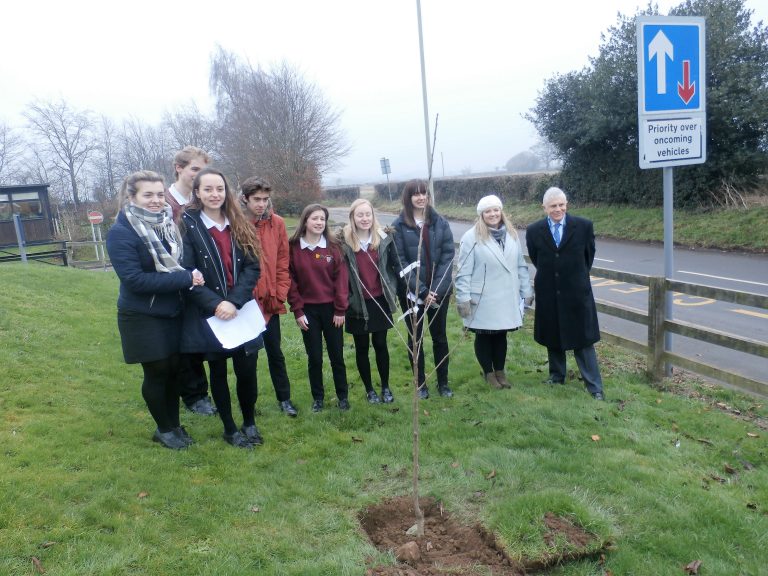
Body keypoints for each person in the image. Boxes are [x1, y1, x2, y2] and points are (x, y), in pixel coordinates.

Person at [106, 170, 204, 450]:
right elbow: (135, 280)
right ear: (132, 197)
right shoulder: (121, 233)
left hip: (172, 311)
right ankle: (164, 429)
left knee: (174, 371)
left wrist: (187, 275)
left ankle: (173, 425)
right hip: (142, 315)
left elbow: (177, 262)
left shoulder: (166, 224)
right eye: (148, 195)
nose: (155, 200)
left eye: (160, 194)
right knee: (157, 372)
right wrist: (186, 278)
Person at [180, 167, 265, 448]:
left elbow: (253, 267)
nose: (215, 194)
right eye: (208, 189)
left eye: (219, 189)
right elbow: (185, 273)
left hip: (241, 310)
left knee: (247, 371)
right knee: (217, 372)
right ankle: (230, 428)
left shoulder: (239, 221)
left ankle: (249, 422)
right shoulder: (188, 225)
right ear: (197, 193)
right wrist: (217, 305)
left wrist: (234, 301)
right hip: (211, 314)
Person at [526, 187, 605, 400]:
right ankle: (556, 376)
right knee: (553, 336)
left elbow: (588, 257)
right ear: (544, 208)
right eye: (553, 206)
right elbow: (537, 258)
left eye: (561, 205)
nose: (558, 209)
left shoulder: (584, 226)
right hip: (549, 292)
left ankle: (594, 386)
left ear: (566, 204)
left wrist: (574, 276)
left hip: (577, 293)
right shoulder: (534, 231)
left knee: (583, 340)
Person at [455, 195, 533, 389]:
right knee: (484, 336)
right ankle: (488, 373)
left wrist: (526, 290)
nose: (493, 214)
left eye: (496, 210)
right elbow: (463, 271)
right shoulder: (471, 237)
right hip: (483, 298)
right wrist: (463, 298)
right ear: (481, 214)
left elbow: (520, 265)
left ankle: (500, 371)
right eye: (488, 211)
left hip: (507, 296)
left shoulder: (512, 235)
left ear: (501, 211)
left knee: (501, 335)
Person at [392, 179, 455, 399]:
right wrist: (421, 291)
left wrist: (435, 290)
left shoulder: (440, 222)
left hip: (439, 292)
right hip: (411, 295)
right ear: (408, 198)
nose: (421, 197)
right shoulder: (398, 226)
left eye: (424, 193)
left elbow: (448, 256)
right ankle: (421, 385)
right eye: (415, 194)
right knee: (415, 340)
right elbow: (399, 261)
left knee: (440, 337)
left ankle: (443, 383)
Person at [240, 176, 298, 417]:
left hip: (272, 300)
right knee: (249, 358)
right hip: (246, 304)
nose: (261, 204)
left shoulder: (278, 224)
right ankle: (249, 407)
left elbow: (283, 261)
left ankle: (284, 399)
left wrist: (281, 292)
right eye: (256, 199)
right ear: (245, 199)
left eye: (265, 199)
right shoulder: (236, 224)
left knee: (276, 353)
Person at [166, 146, 216, 416]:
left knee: (202, 338)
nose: (198, 176)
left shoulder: (200, 203)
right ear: (179, 168)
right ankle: (194, 395)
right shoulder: (163, 201)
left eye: (202, 171)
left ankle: (204, 391)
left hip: (201, 281)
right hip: (173, 282)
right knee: (185, 343)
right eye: (194, 169)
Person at [287, 204, 350, 412]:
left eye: (322, 219)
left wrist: (340, 309)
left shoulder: (332, 247)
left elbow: (341, 279)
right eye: (315, 218)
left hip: (332, 310)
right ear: (305, 221)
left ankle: (343, 397)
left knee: (336, 356)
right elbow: (291, 282)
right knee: (314, 357)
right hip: (308, 312)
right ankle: (318, 398)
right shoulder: (293, 248)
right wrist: (297, 310)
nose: (319, 223)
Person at [340, 199, 399, 404]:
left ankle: (385, 387)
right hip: (357, 303)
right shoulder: (343, 242)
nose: (365, 219)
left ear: (373, 216)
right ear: (352, 217)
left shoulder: (383, 238)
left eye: (368, 214)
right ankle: (369, 390)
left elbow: (394, 266)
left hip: (379, 301)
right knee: (362, 347)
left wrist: (391, 288)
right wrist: (346, 299)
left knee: (381, 344)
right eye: (360, 215)